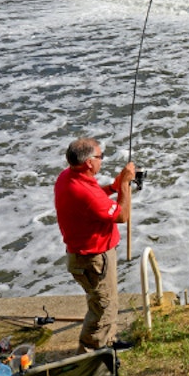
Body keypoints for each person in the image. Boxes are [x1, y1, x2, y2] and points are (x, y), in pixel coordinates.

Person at [54, 137, 135, 353]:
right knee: (103, 308)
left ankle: (108, 341)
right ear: (89, 162)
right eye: (100, 157)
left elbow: (96, 199)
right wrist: (125, 185)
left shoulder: (67, 176)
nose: (102, 161)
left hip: (87, 256)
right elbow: (122, 215)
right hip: (93, 260)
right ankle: (90, 355)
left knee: (104, 301)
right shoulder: (85, 193)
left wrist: (113, 187)